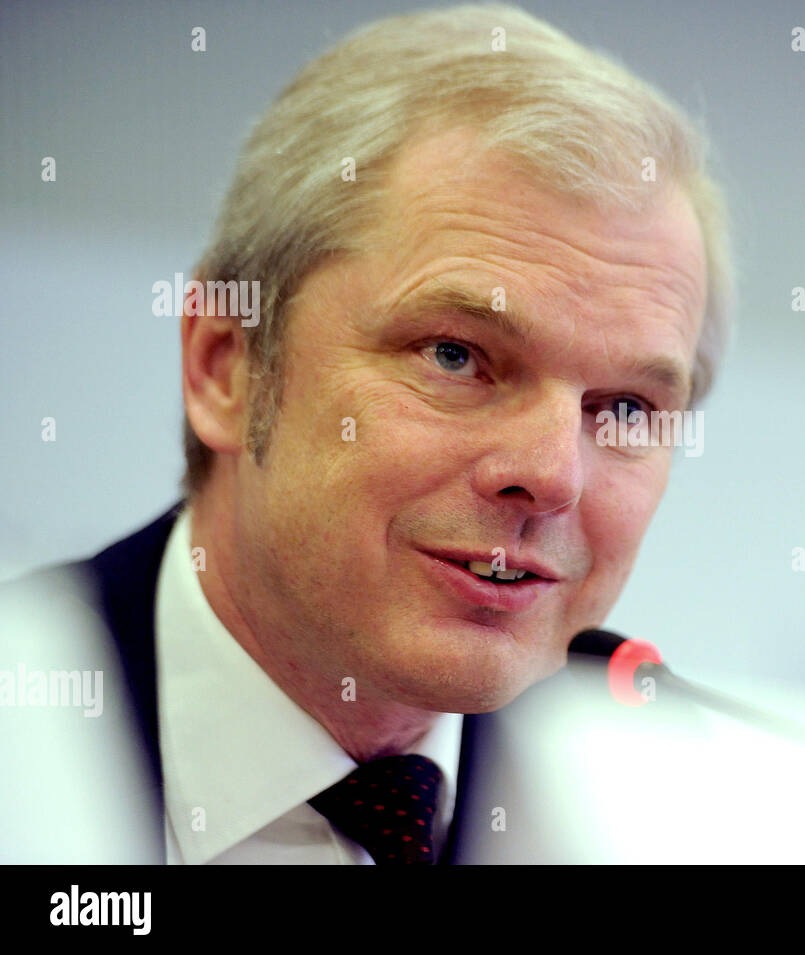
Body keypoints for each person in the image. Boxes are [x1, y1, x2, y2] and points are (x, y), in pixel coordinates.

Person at [0, 3, 733, 865]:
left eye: (624, 410)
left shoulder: (680, 820)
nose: (550, 473)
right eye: (457, 356)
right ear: (225, 365)